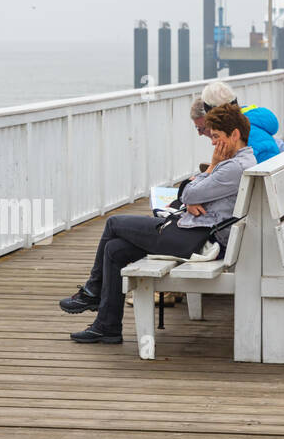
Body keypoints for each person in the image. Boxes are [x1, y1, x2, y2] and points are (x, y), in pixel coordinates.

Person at [59, 104, 257, 344]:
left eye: (217, 137)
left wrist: (211, 167)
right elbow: (191, 191)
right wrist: (194, 192)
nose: (213, 143)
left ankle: (92, 291)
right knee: (114, 250)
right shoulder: (242, 161)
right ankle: (107, 326)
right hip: (200, 233)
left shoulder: (232, 167)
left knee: (113, 223)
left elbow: (190, 194)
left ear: (235, 135)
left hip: (198, 240)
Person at [201, 81, 279, 163]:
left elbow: (237, 169)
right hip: (276, 168)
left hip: (260, 172)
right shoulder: (253, 119)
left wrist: (214, 165)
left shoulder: (240, 134)